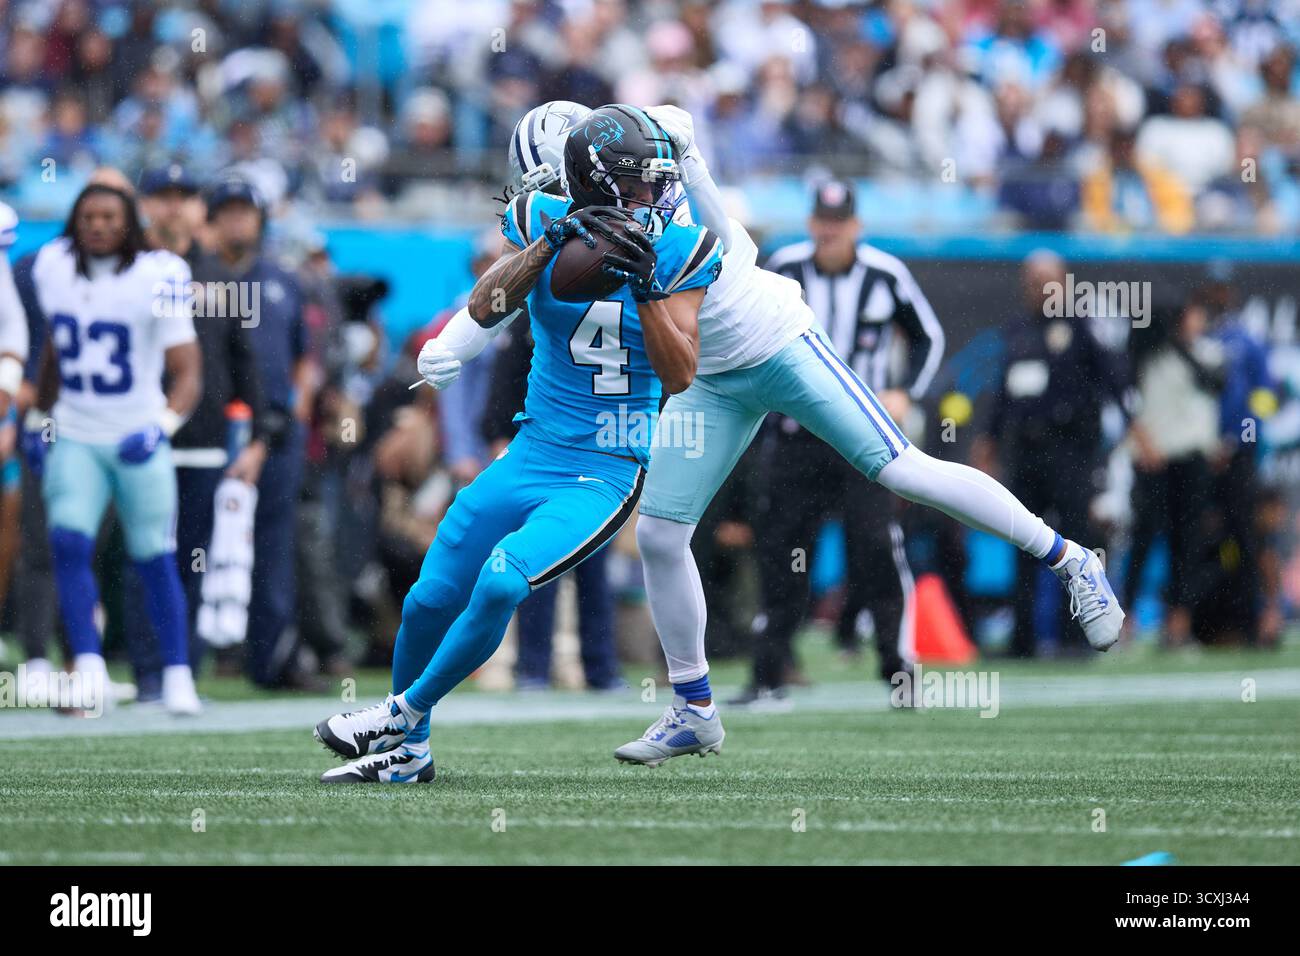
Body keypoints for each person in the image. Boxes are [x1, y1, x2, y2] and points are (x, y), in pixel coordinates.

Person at [617, 107, 1124, 765]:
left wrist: (683, 152)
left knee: (902, 471)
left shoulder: (681, 183)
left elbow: (695, 173)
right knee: (660, 532)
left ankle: (1070, 558)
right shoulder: (600, 210)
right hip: (714, 378)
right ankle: (693, 707)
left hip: (778, 345)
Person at [312, 104, 722, 783]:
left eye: (659, 178)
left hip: (604, 469)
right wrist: (550, 243)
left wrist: (646, 286)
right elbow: (484, 308)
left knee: (503, 580)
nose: (659, 193)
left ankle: (401, 715)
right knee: (428, 598)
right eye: (641, 181)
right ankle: (411, 756)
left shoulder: (684, 245)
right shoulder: (541, 215)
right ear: (596, 184)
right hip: (531, 451)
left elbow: (680, 374)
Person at [740, 179, 944, 705]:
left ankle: (900, 671)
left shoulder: (885, 274)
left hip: (863, 436)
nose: (829, 231)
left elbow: (929, 336)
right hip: (796, 436)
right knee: (783, 550)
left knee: (877, 547)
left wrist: (905, 392)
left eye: (839, 222)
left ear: (855, 225)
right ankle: (770, 671)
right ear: (812, 223)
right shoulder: (784, 266)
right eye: (822, 221)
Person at [20, 182, 202, 715]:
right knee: (69, 545)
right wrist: (39, 414)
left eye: (109, 217)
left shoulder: (161, 272)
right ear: (75, 221)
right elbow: (56, 346)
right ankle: (89, 668)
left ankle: (176, 673)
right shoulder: (51, 265)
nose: (98, 225)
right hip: (76, 432)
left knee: (155, 555)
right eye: (89, 216)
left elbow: (188, 370)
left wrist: (163, 425)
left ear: (128, 224)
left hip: (135, 433)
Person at [123, 165, 277, 699]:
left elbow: (244, 367)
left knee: (195, 559)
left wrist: (257, 440)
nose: (172, 208)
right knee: (143, 554)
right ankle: (146, 671)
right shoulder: (129, 270)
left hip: (207, 443)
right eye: (161, 197)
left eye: (182, 196)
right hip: (138, 437)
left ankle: (182, 671)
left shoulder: (221, 279)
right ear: (145, 205)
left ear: (195, 208)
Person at [973, 250, 1128, 656]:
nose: (1039, 288)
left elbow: (1114, 379)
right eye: (1033, 280)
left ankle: (1073, 637)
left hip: (1071, 451)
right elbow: (1005, 392)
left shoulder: (1082, 327)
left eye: (1047, 280)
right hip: (1026, 450)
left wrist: (1133, 429)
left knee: (1075, 540)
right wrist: (988, 439)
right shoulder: (1018, 329)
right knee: (1025, 540)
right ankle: (1023, 637)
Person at [199, 177, 314, 688]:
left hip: (274, 429)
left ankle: (269, 659)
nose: (237, 220)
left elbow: (305, 358)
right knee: (196, 537)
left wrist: (300, 404)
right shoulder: (196, 279)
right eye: (226, 211)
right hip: (208, 427)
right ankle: (190, 654)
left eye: (245, 211)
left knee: (272, 542)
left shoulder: (284, 280)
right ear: (212, 218)